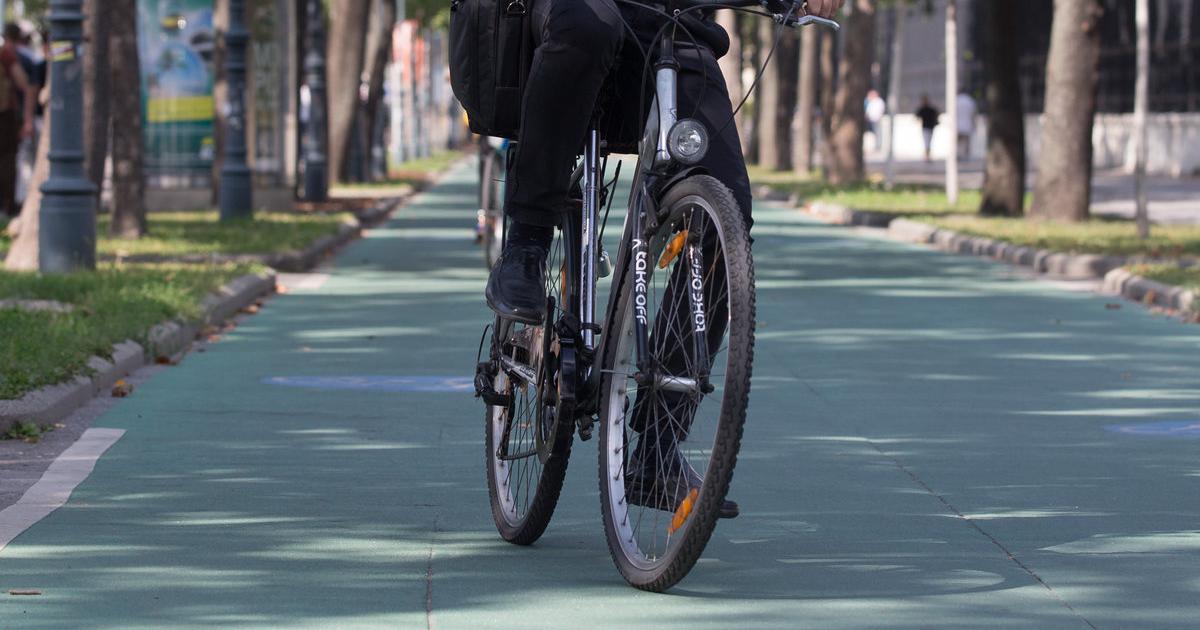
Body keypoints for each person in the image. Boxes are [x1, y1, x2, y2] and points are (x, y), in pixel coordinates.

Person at [480, 0, 845, 514]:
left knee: (726, 217)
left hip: (670, 23)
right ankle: (527, 245)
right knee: (588, 27)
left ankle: (656, 445)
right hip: (578, 12)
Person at [0, 23, 35, 218]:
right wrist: (28, 118)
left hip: (5, 116)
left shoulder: (7, 54)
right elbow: (26, 85)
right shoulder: (6, 55)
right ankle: (7, 205)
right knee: (7, 161)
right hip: (5, 115)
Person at [915, 94, 939, 164]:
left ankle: (927, 155)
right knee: (927, 142)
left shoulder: (929, 109)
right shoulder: (924, 109)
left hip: (929, 127)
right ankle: (927, 155)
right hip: (926, 127)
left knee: (928, 142)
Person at [956, 90, 977, 161]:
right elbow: (973, 114)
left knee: (958, 143)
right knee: (966, 143)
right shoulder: (970, 101)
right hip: (967, 125)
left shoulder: (956, 100)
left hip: (957, 126)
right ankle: (965, 156)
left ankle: (958, 155)